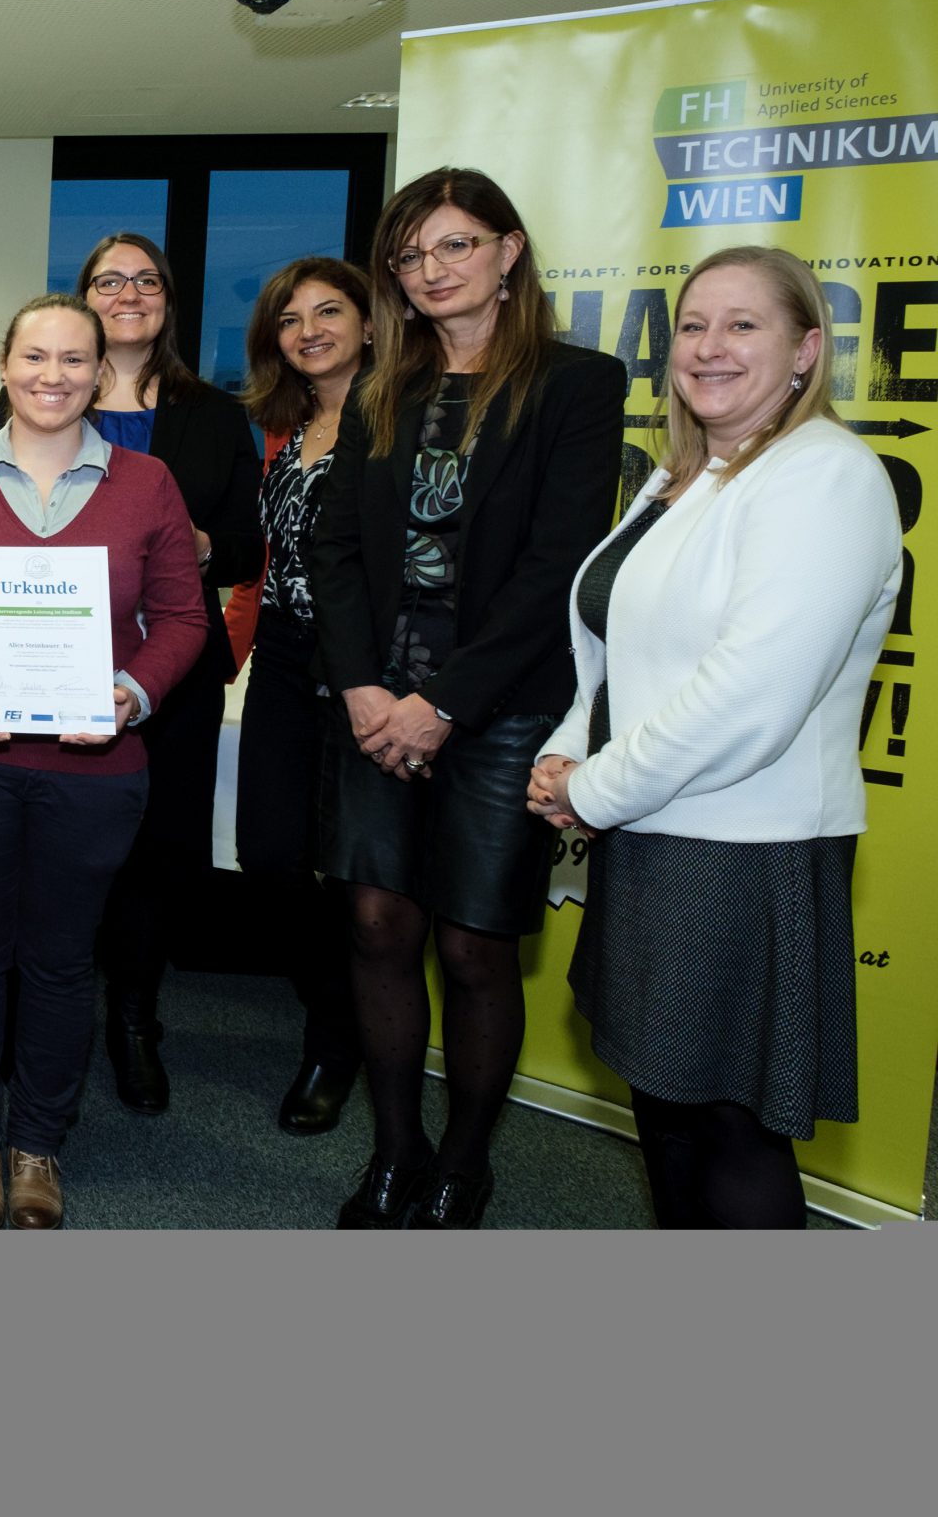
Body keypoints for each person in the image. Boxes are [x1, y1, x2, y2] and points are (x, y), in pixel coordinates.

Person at [530, 246, 901, 1229]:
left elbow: (751, 695)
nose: (708, 346)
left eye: (743, 324)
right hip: (655, 826)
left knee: (731, 1127)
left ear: (805, 350)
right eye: (692, 325)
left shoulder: (824, 475)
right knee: (666, 1108)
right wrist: (570, 747)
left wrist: (591, 790)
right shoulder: (686, 477)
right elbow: (614, 646)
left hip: (742, 849)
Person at [311, 166, 625, 1229]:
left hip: (500, 707)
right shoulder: (380, 388)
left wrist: (441, 703)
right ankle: (395, 1150)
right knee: (376, 925)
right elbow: (335, 548)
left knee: (473, 943)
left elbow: (557, 565)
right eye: (410, 255)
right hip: (374, 706)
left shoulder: (576, 385)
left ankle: (464, 1160)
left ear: (507, 251)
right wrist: (363, 687)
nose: (431, 270)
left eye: (454, 245)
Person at [0, 292, 208, 1228]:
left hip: (94, 773)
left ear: (100, 374)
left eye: (74, 360)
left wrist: (132, 691)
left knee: (63, 963)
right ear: (4, 363)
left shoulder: (147, 483)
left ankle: (37, 1141)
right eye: (35, 356)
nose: (52, 376)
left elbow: (182, 617)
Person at [70, 234, 261, 1114]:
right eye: (109, 280)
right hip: (61, 659)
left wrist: (202, 544)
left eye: (146, 280)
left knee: (159, 848)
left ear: (168, 301)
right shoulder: (44, 392)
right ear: (84, 298)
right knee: (64, 845)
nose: (129, 294)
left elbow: (251, 546)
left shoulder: (213, 414)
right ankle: (52, 1015)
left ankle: (134, 1019)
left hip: (175, 667)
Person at [227, 258, 374, 1135]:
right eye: (289, 319)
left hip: (363, 664)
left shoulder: (395, 420)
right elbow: (265, 562)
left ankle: (335, 1042)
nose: (308, 331)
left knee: (351, 864)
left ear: (370, 322)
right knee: (269, 851)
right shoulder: (286, 425)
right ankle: (335, 1006)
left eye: (328, 312)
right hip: (284, 653)